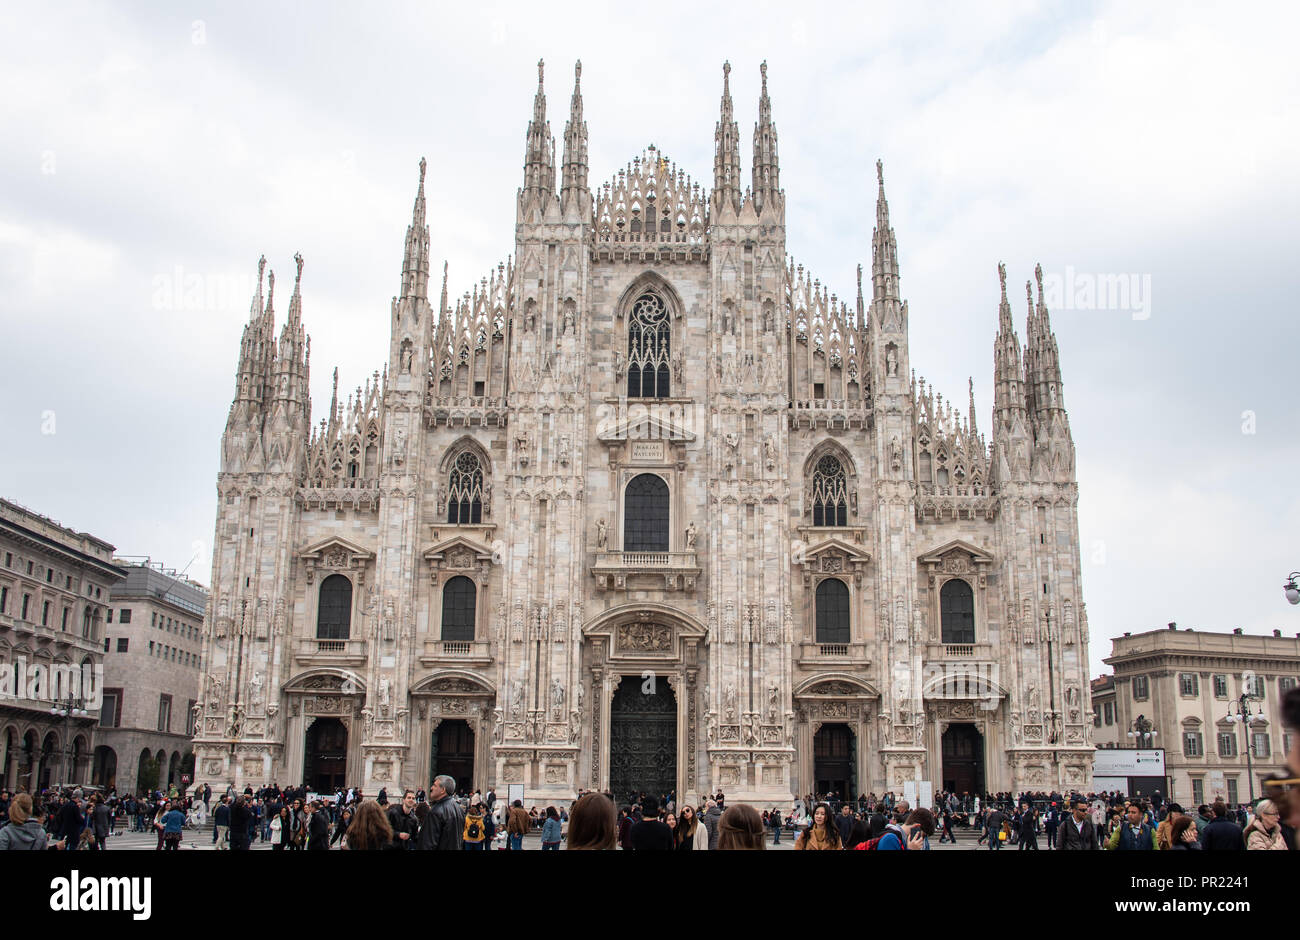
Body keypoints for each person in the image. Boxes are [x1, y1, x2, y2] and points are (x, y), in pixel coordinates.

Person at [419, 774, 465, 850]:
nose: (431, 788)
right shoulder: (459, 809)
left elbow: (428, 844)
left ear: (443, 790)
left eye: (434, 785)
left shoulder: (436, 811)